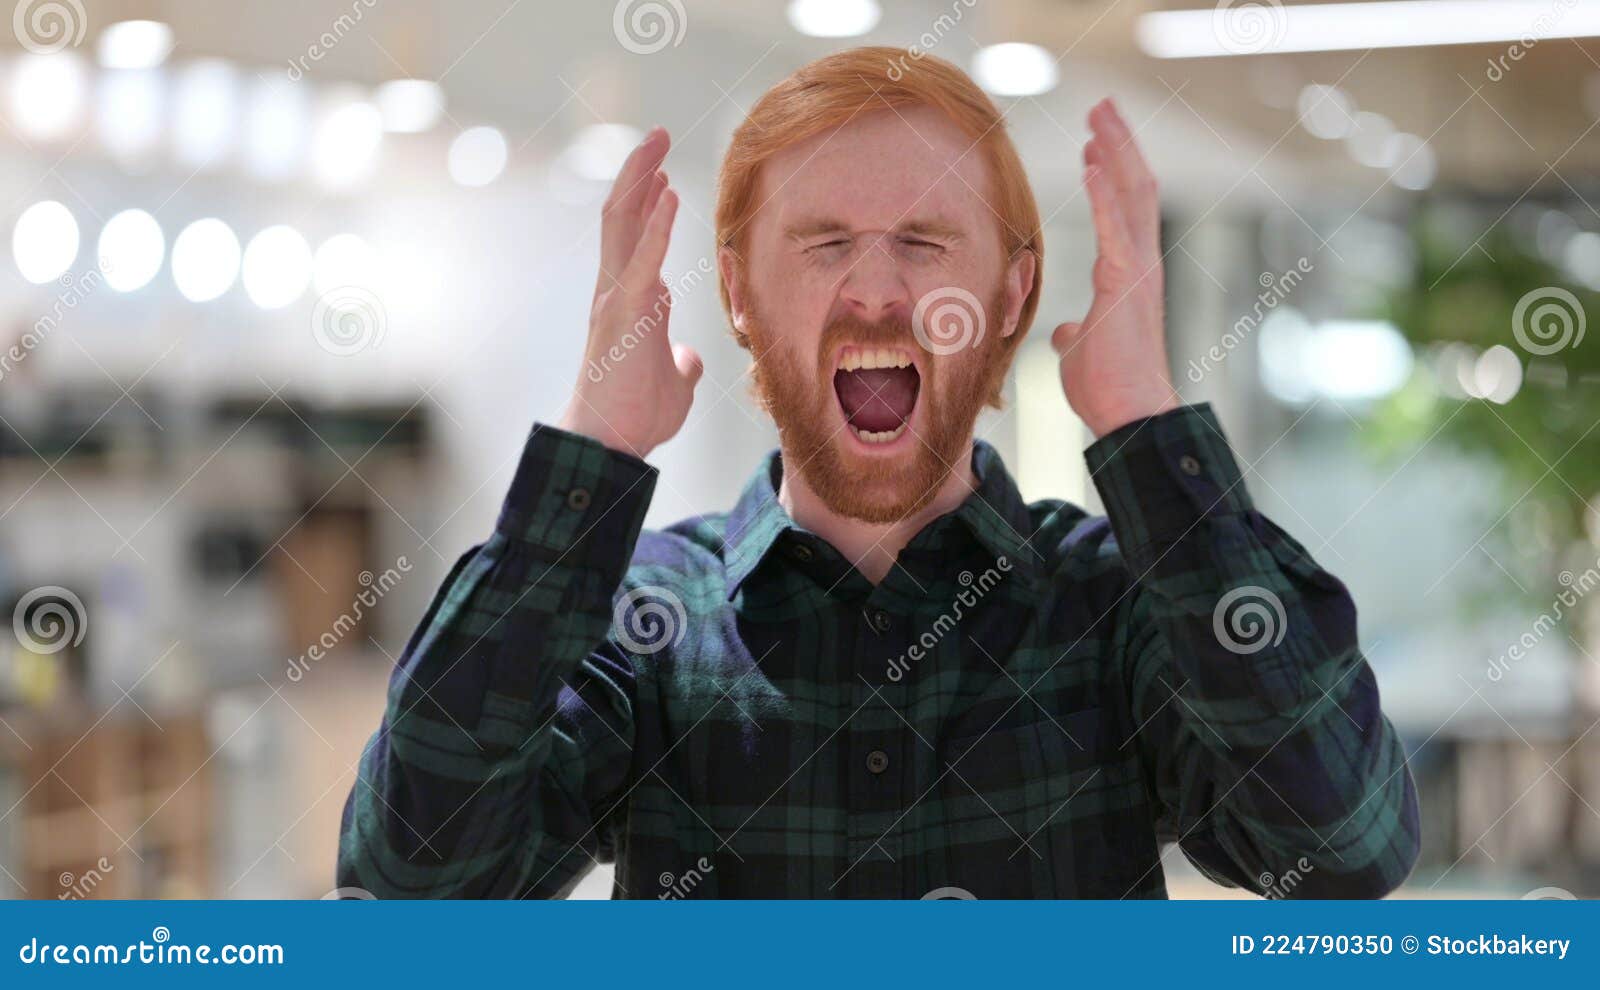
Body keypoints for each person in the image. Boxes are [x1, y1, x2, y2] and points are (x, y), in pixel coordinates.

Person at [336, 47, 1418, 899]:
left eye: (925, 240)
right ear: (741, 295)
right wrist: (593, 445)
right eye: (820, 243)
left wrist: (1146, 422)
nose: (874, 292)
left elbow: (1343, 847)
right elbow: (417, 883)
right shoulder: (649, 622)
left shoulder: (1115, 606)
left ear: (1008, 294)